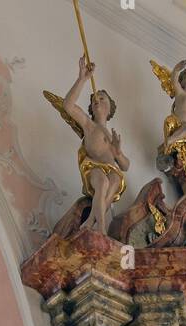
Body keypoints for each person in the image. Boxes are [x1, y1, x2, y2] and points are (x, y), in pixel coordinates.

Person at [62, 57, 129, 235]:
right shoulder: (88, 125)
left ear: (110, 108)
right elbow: (68, 105)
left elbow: (126, 166)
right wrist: (82, 79)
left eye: (102, 98)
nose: (97, 100)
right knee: (102, 181)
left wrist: (118, 153)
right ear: (91, 108)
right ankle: (100, 227)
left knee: (115, 179)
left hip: (111, 170)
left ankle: (91, 221)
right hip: (94, 167)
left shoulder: (110, 134)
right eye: (94, 99)